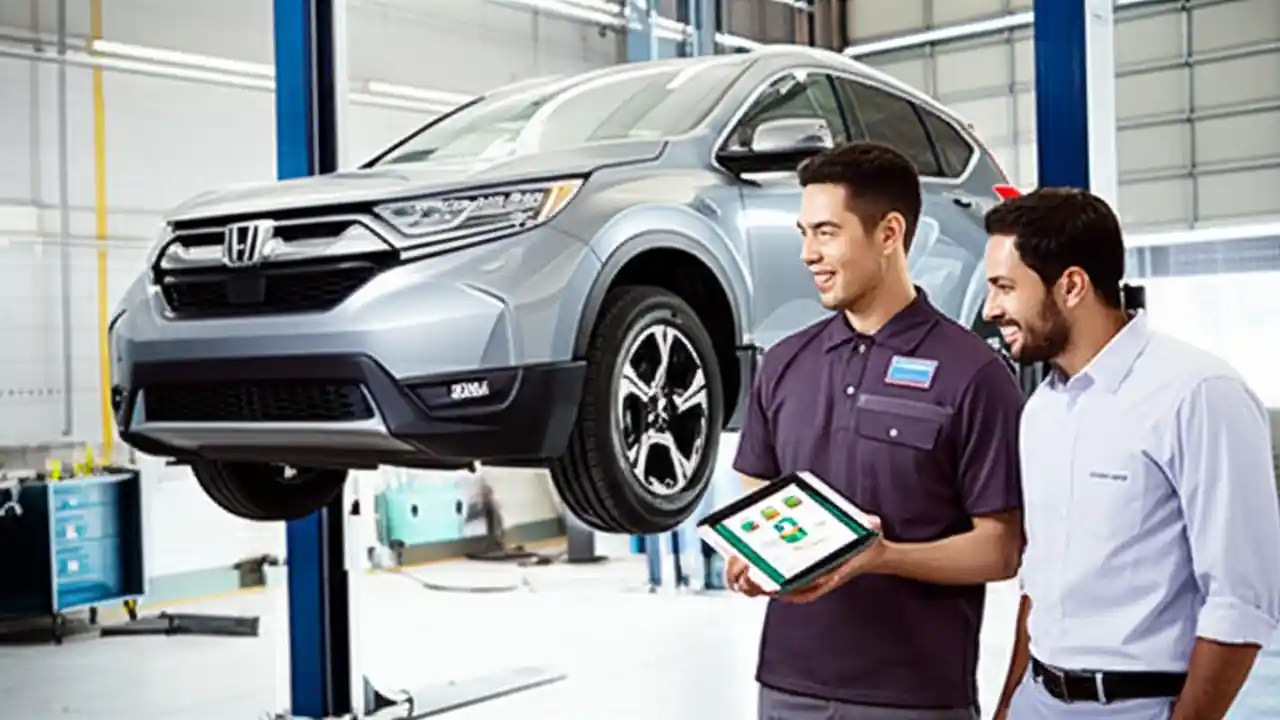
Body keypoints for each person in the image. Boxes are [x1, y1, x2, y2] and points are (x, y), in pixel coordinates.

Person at [727, 141, 1026, 719]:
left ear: (889, 234)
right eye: (803, 233)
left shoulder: (975, 374)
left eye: (826, 232)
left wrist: (881, 556)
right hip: (789, 687)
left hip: (913, 696)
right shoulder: (784, 363)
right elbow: (757, 491)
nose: (808, 253)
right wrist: (758, 553)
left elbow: (1001, 548)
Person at [982, 187, 1280, 719]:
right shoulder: (1041, 411)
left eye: (1005, 287)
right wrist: (1007, 706)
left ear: (1071, 285)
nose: (990, 309)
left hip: (1136, 707)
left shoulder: (1198, 394)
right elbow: (1040, 580)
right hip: (1036, 700)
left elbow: (1241, 602)